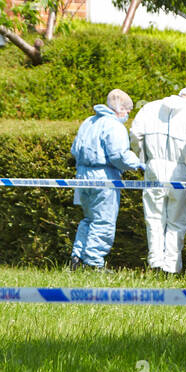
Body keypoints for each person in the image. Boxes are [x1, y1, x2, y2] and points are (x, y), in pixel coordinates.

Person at [129, 85, 186, 273]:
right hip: (178, 169)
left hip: (153, 167)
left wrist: (143, 158)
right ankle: (171, 266)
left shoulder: (150, 107)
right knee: (176, 221)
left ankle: (155, 261)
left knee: (154, 217)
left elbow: (135, 135)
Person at [69, 89, 144, 271]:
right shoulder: (114, 126)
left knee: (89, 219)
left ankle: (77, 257)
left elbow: (74, 150)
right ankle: (93, 263)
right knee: (103, 220)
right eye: (128, 111)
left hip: (82, 176)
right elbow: (119, 156)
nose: (127, 115)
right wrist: (139, 164)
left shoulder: (89, 121)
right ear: (121, 109)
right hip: (104, 178)